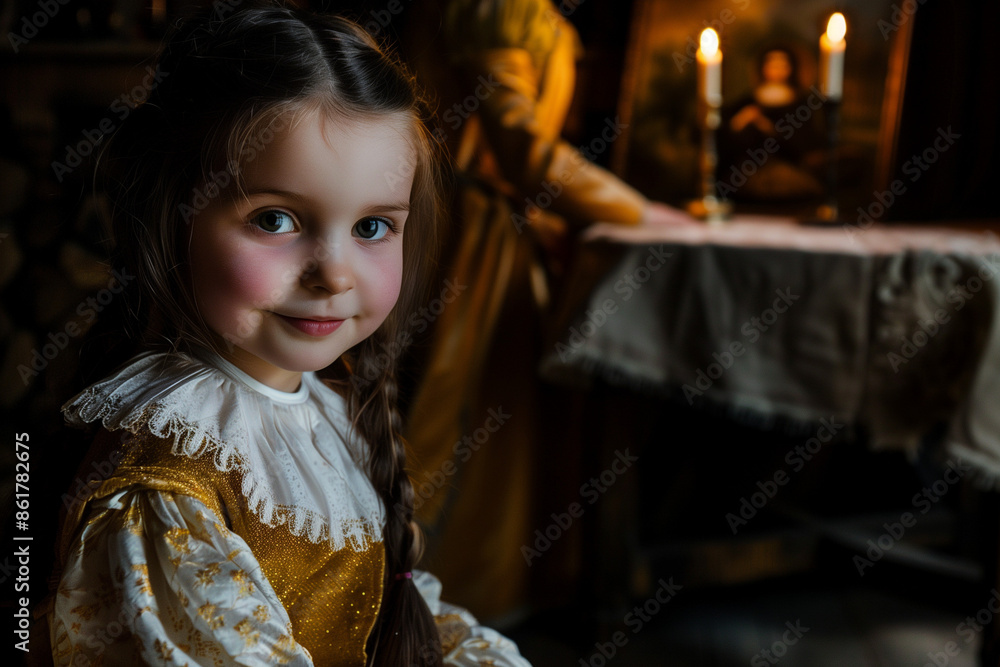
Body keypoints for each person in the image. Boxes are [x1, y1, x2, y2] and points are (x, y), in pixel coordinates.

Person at [29, 4, 531, 666]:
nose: (334, 273)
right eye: (275, 218)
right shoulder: (168, 482)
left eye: (373, 226)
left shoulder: (319, 414)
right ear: (171, 214)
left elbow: (403, 614)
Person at [399, 0, 696, 622]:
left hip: (485, 223)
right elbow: (519, 145)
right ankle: (419, 600)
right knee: (454, 410)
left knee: (492, 422)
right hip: (472, 240)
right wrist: (640, 213)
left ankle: (474, 591)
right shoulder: (500, 8)